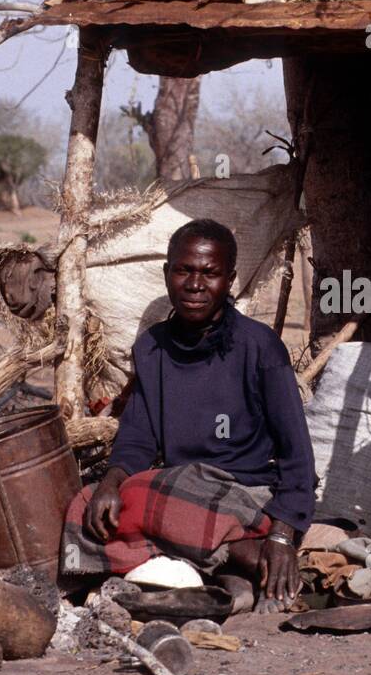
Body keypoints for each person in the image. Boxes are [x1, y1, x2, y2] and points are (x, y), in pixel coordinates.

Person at [59, 218, 315, 612]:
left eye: (210, 274)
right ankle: (227, 568)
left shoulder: (259, 346)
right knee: (86, 503)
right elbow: (138, 439)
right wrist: (111, 482)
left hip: (244, 491)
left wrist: (282, 535)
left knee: (158, 504)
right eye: (184, 270)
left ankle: (245, 560)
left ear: (229, 279)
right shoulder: (152, 349)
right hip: (182, 486)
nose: (195, 285)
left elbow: (298, 456)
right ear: (167, 274)